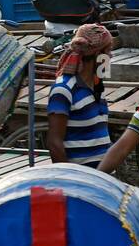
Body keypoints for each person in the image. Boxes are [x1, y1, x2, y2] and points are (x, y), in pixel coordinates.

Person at [47, 24, 113, 166]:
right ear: (97, 54)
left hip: (102, 179)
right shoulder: (64, 89)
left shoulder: (97, 87)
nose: (110, 56)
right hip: (81, 180)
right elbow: (54, 143)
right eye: (108, 51)